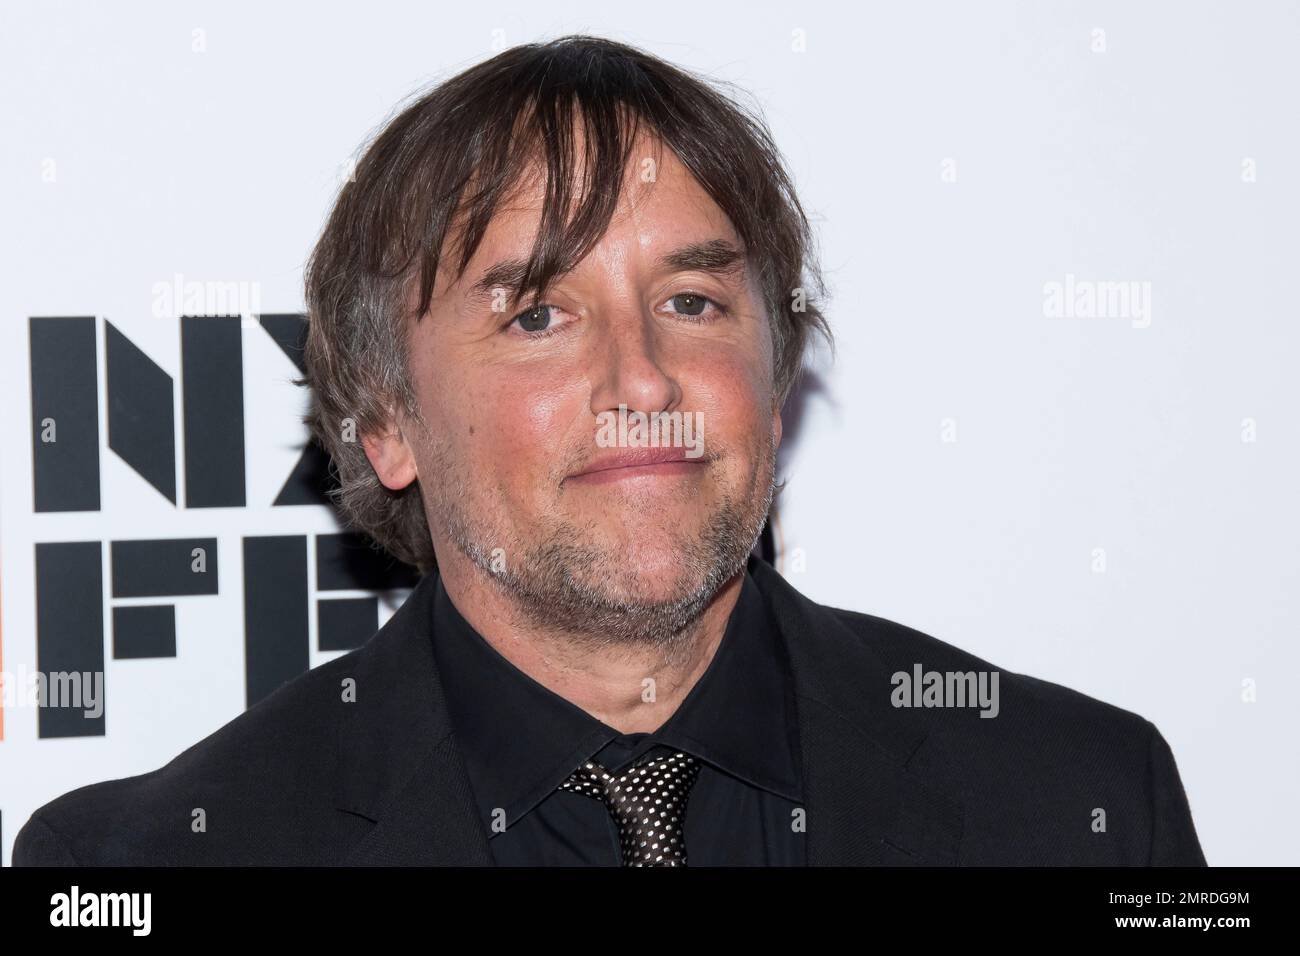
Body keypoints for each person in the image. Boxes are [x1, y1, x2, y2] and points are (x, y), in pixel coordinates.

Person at [14, 34, 1205, 866]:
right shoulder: (146, 862)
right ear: (384, 419)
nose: (642, 380)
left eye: (691, 301)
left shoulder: (1081, 798)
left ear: (775, 372)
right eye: (536, 314)